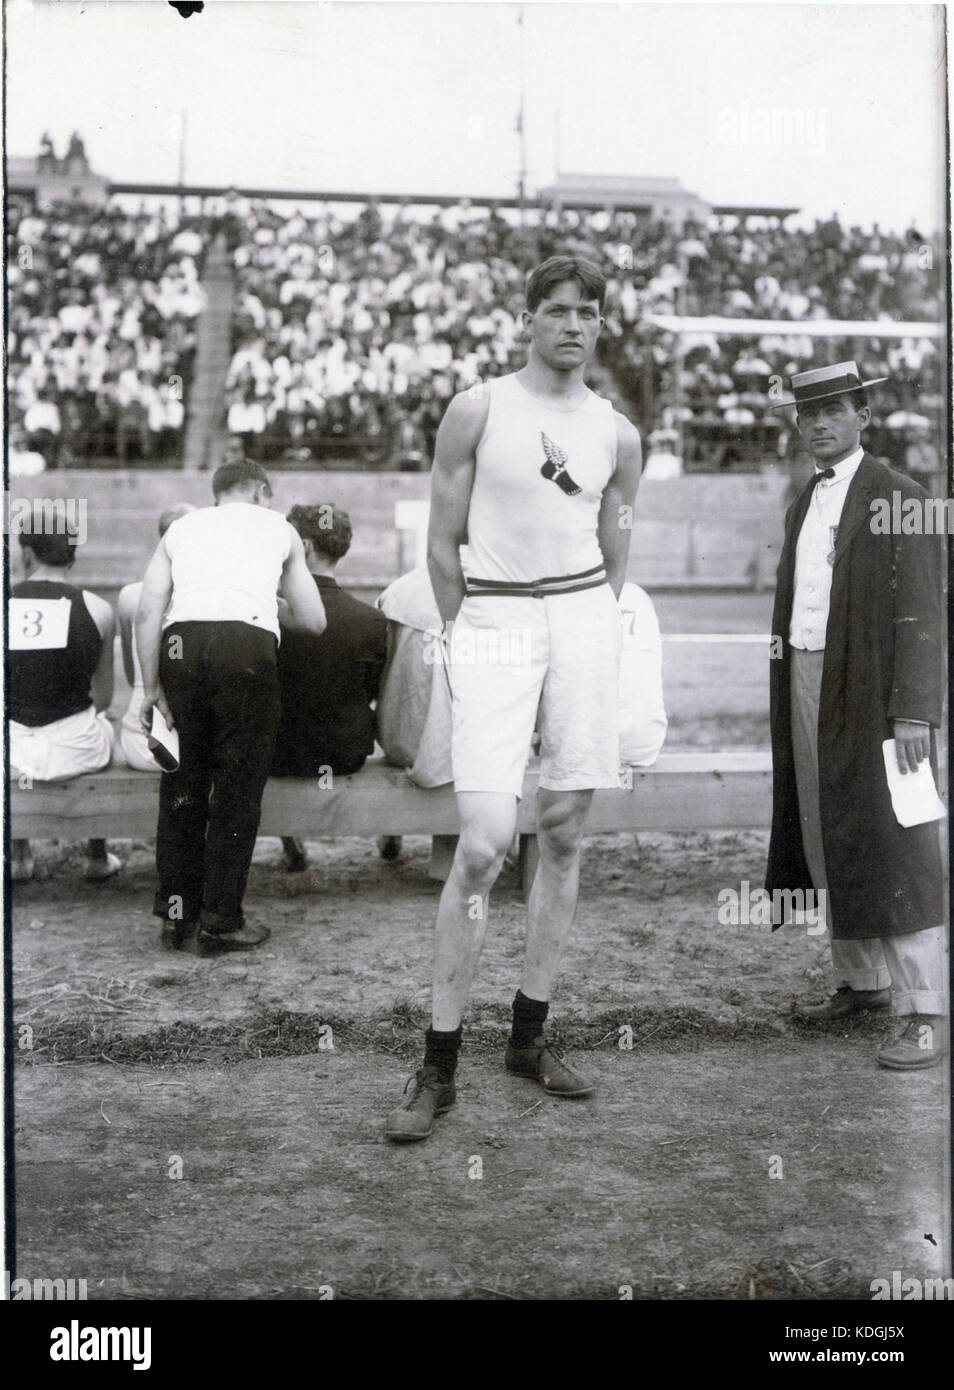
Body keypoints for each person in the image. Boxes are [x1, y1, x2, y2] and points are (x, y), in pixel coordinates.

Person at [385, 254, 642, 1141]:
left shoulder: (618, 432)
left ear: (602, 324)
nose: (574, 324)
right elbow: (442, 545)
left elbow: (616, 549)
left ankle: (527, 1037)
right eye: (559, 310)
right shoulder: (479, 407)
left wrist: (584, 628)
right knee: (486, 844)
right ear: (528, 318)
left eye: (589, 312)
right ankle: (438, 1060)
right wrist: (469, 632)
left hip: (578, 615)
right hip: (492, 617)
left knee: (565, 828)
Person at [766, 362, 947, 1071]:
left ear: (863, 414)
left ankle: (926, 1007)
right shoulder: (803, 499)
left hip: (881, 692)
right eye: (807, 413)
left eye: (833, 409)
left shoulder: (905, 497)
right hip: (809, 677)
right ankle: (862, 982)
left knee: (899, 830)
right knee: (823, 822)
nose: (817, 423)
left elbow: (925, 617)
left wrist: (913, 713)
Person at [135, 458, 326, 953]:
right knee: (238, 788)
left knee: (182, 783)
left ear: (215, 493)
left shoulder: (181, 527)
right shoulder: (278, 526)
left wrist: (148, 687)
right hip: (245, 644)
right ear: (262, 491)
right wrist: (266, 598)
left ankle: (176, 915)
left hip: (181, 643)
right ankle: (221, 920)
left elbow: (148, 610)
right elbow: (315, 619)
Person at [270, 502, 388, 872]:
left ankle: (288, 838)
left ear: (302, 548)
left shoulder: (268, 613)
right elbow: (369, 692)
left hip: (278, 755)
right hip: (343, 753)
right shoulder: (371, 619)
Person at [8, 526, 119, 884]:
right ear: (72, 557)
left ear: (26, 555)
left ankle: (19, 853)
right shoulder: (99, 608)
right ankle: (97, 855)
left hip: (9, 753)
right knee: (103, 720)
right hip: (76, 749)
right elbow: (104, 698)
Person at [116, 504, 195, 772]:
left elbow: (130, 675)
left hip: (141, 742)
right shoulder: (209, 600)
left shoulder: (130, 596)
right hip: (190, 744)